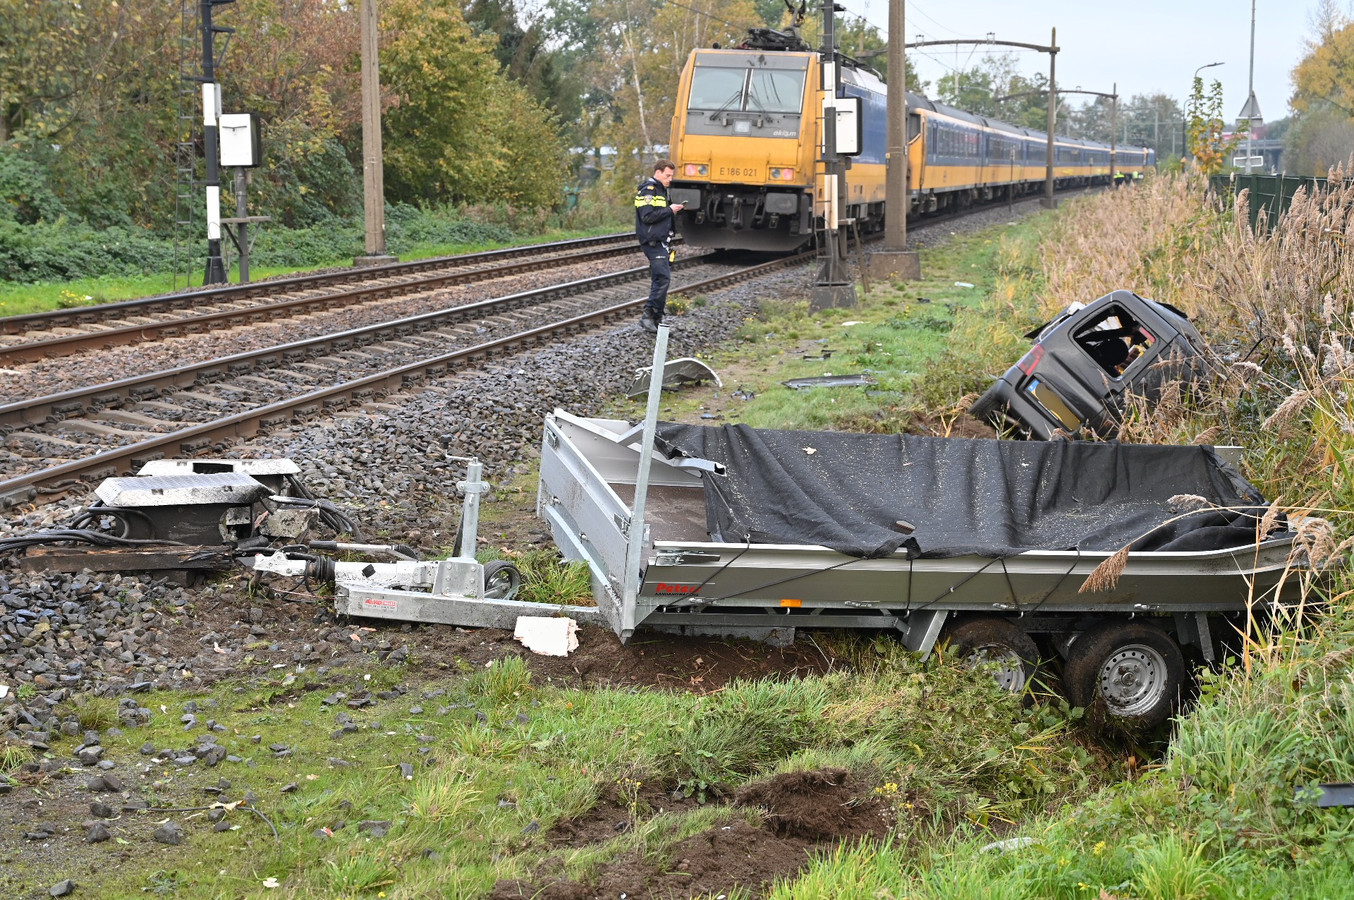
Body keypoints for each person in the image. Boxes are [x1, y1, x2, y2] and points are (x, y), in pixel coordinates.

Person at [634, 160, 684, 333]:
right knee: (662, 279)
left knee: (662, 279)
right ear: (658, 172)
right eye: (667, 175)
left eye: (671, 176)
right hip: (652, 241)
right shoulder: (648, 190)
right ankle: (647, 317)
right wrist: (670, 210)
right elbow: (647, 216)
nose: (670, 179)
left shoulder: (661, 190)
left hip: (661, 241)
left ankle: (656, 320)